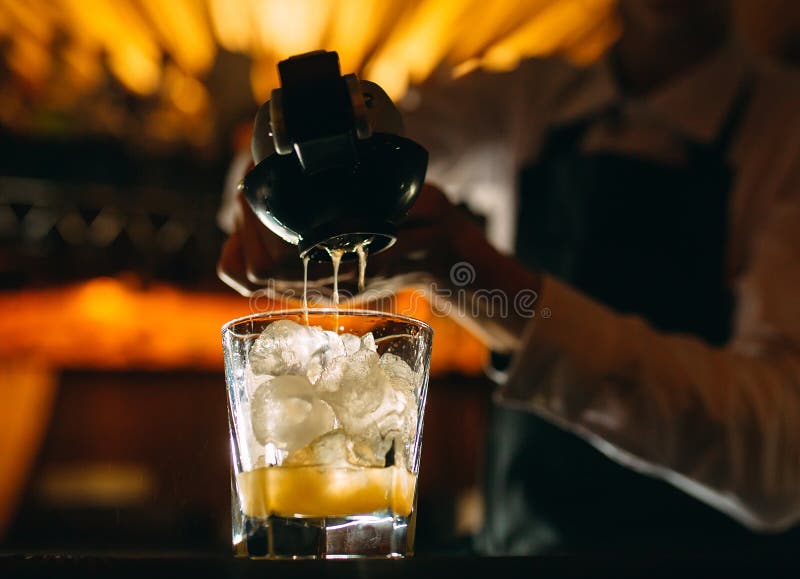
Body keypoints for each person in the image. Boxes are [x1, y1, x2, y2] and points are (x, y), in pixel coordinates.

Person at [217, 0, 800, 555]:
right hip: (516, 555)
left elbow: (780, 459)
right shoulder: (531, 101)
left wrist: (467, 277)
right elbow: (264, 169)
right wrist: (280, 192)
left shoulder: (784, 130)